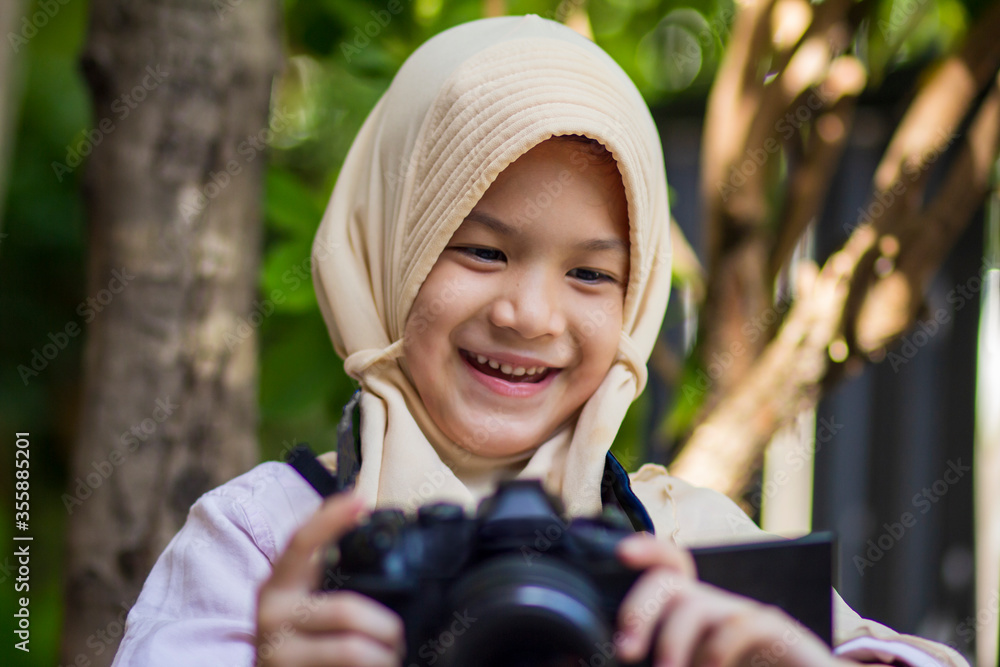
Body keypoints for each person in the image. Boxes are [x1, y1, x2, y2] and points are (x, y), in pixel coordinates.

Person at [111, 15, 968, 667]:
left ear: (637, 299)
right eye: (481, 250)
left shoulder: (692, 546)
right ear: (386, 249)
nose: (529, 313)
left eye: (592, 275)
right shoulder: (268, 541)